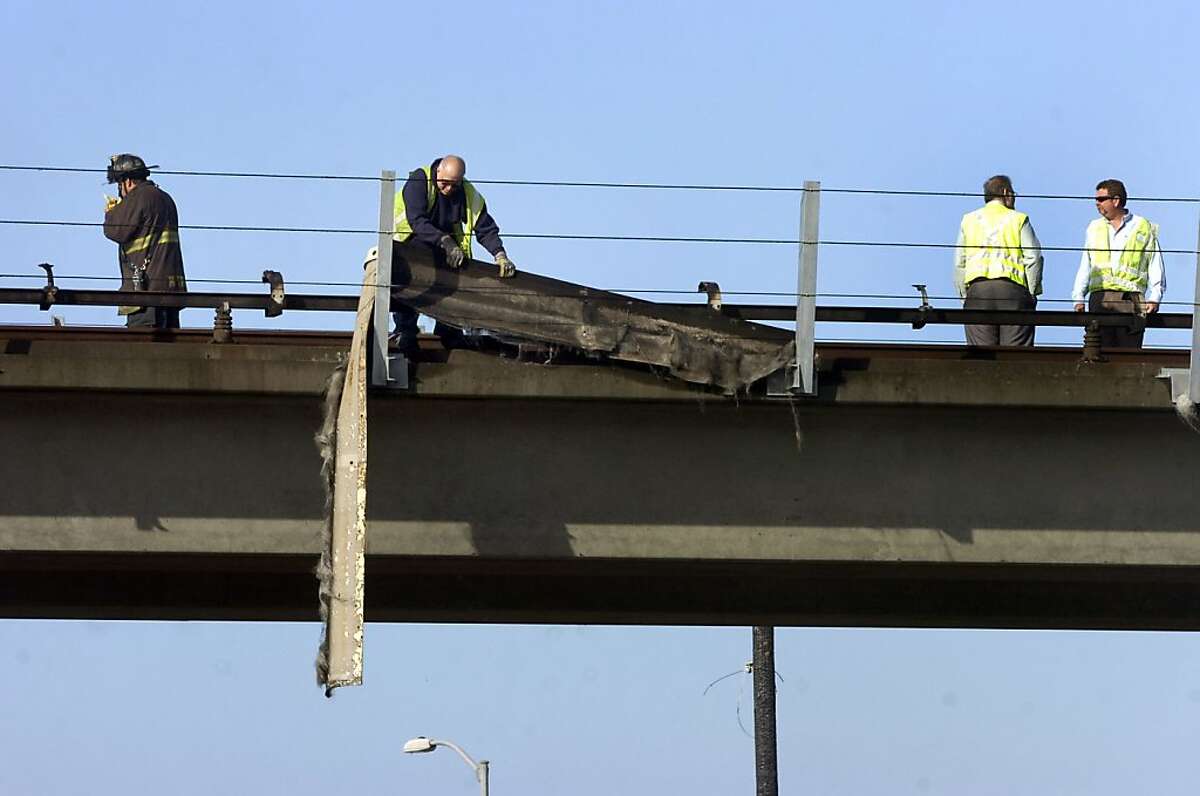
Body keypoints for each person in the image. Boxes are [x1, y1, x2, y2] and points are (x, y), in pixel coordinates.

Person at [391, 154, 516, 350]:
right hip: (410, 242)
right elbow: (417, 220)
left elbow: (485, 227)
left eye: (454, 185)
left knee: (455, 273)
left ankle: (449, 331)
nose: (449, 189)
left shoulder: (467, 193)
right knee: (411, 280)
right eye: (445, 183)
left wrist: (499, 254)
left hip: (444, 247)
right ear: (438, 171)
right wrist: (445, 241)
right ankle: (405, 332)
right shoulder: (419, 181)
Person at [1072, 179, 1165, 349]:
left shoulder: (1143, 227)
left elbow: (1155, 263)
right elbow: (1086, 263)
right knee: (1098, 351)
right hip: (1100, 298)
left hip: (1131, 300)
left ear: (1116, 200)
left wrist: (1155, 297)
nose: (1097, 203)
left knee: (1129, 354)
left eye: (1101, 199)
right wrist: (1078, 297)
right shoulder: (1094, 228)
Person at [953, 174, 1043, 347]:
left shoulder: (969, 220)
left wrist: (965, 297)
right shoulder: (1018, 219)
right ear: (1006, 193)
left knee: (982, 354)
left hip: (977, 292)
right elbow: (1033, 257)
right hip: (1013, 292)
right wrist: (1031, 292)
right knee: (1015, 354)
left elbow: (959, 263)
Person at [102, 154, 187, 329]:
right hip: (172, 291)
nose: (120, 190)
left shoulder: (137, 198)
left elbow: (115, 231)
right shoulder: (165, 198)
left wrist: (112, 213)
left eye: (119, 185)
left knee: (144, 343)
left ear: (127, 181)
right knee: (170, 343)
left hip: (147, 293)